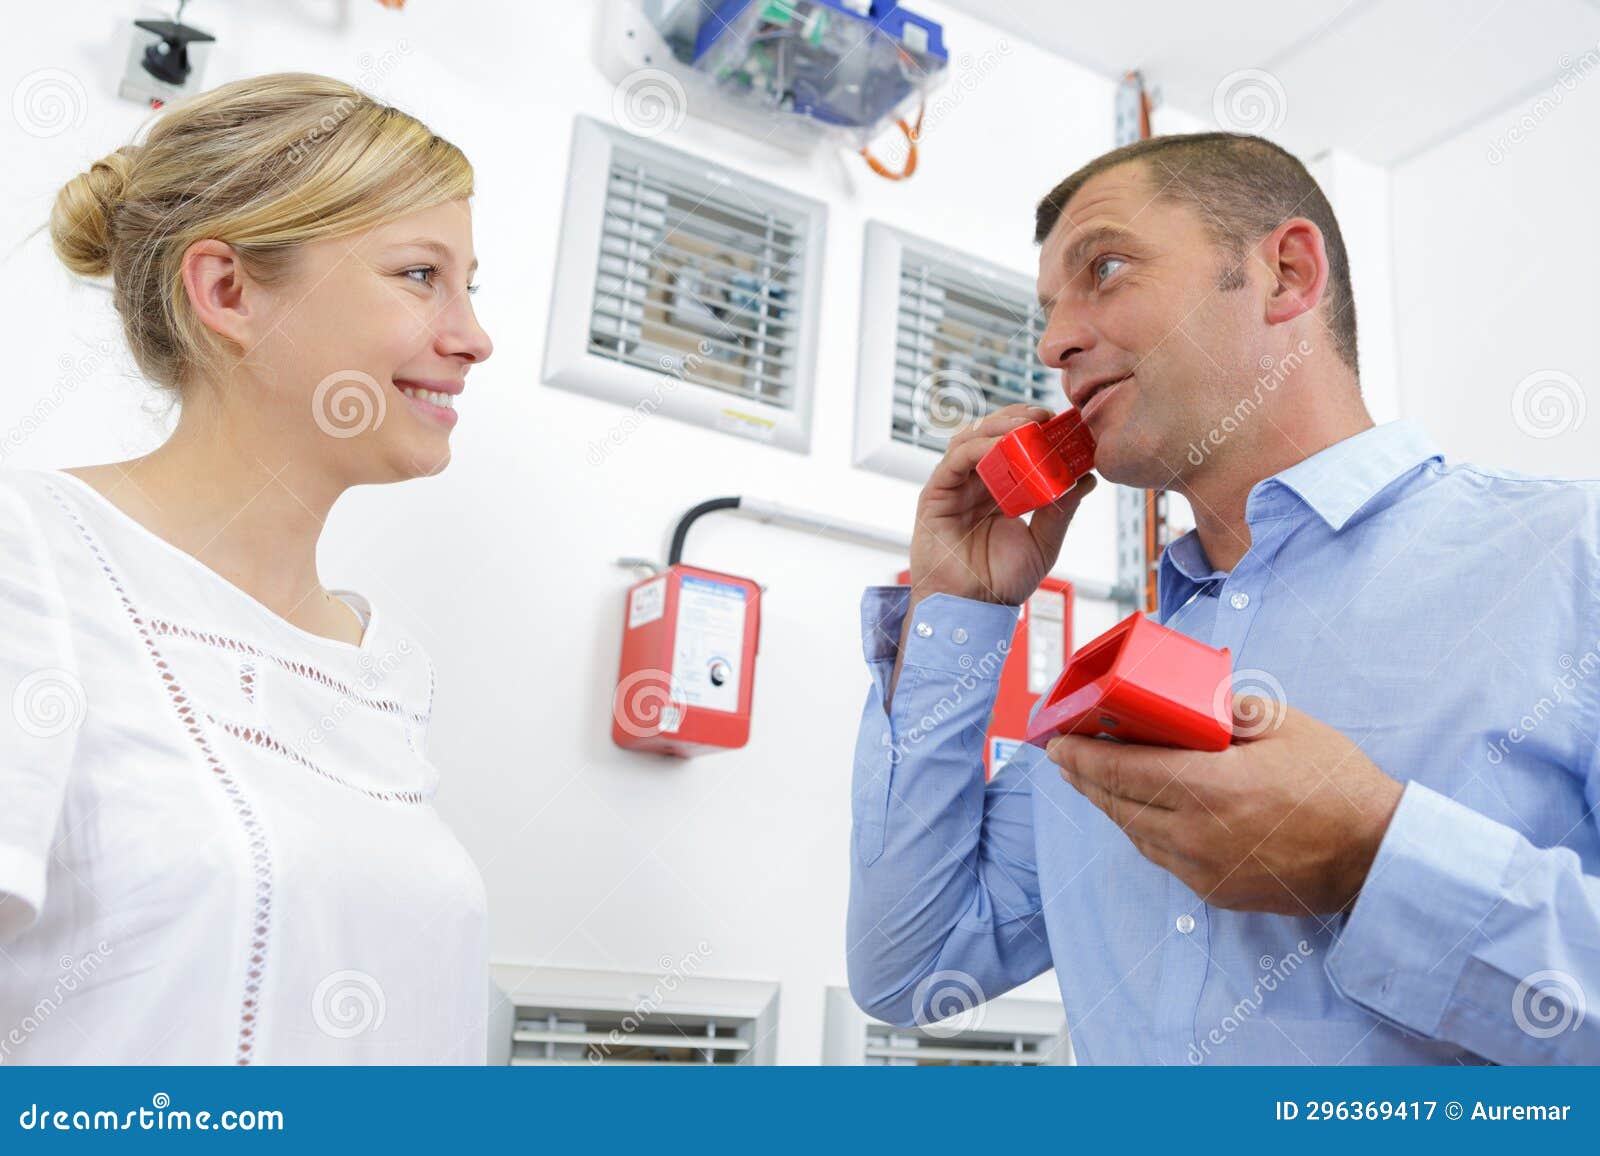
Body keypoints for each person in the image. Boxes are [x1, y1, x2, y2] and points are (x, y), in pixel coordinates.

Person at [847, 131, 1600, 1064]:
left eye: (1105, 268)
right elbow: (912, 964)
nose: (1053, 343)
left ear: (1286, 274)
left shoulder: (1574, 557)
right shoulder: (1106, 700)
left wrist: (1373, 854)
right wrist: (956, 608)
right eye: (1048, 310)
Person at [0, 72, 494, 1063]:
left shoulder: (385, 670)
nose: (473, 339)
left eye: (469, 287)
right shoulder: (34, 560)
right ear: (227, 290)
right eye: (418, 275)